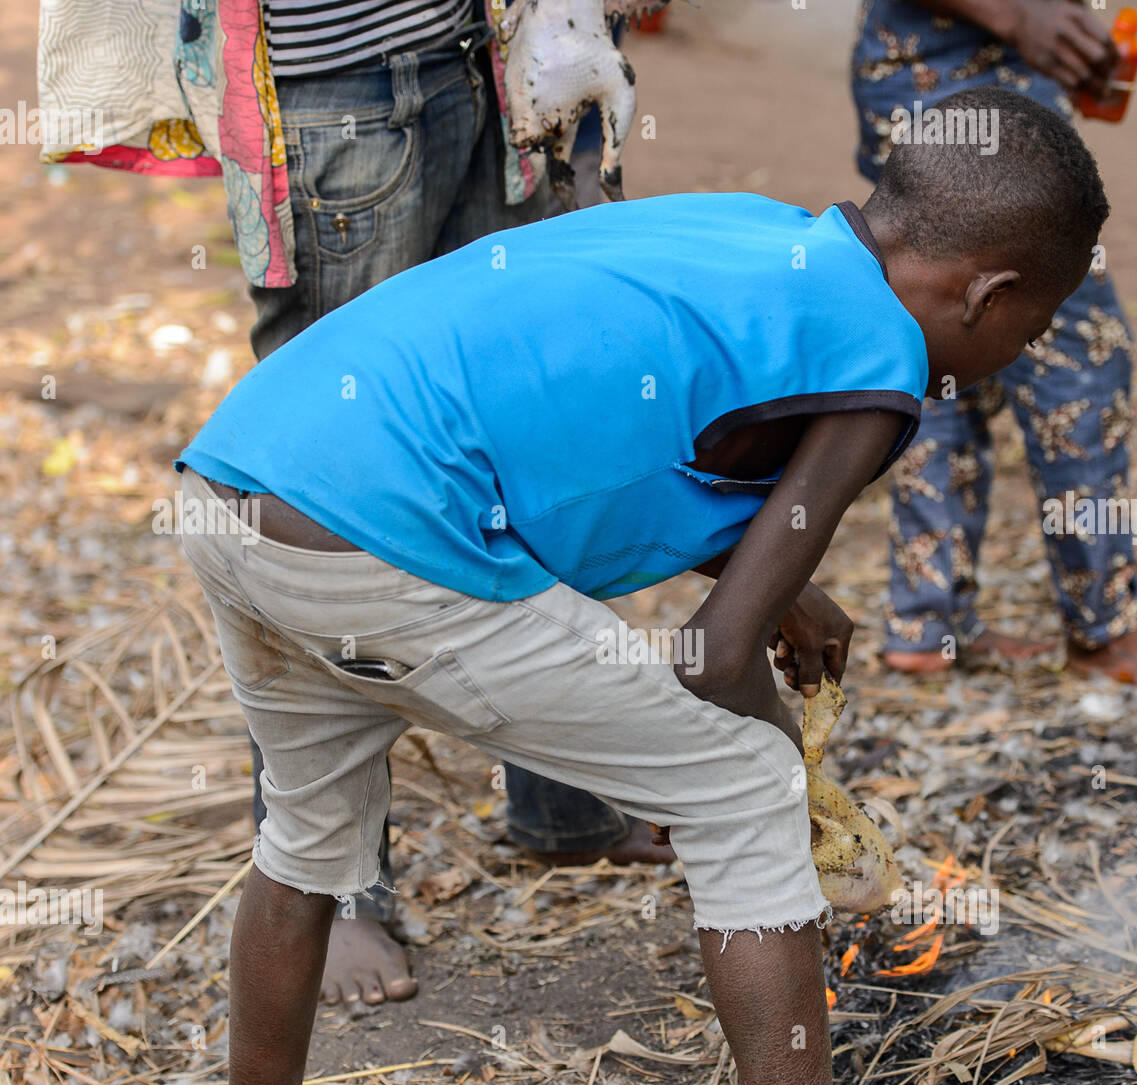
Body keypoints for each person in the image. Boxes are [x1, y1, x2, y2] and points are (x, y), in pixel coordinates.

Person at [178, 87, 1092, 1085]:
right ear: (987, 295)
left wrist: (772, 579)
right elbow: (714, 660)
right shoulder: (886, 367)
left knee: (305, 837)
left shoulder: (762, 238)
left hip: (244, 488)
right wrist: (775, 774)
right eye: (1028, 332)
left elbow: (623, 417)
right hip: (386, 543)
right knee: (745, 785)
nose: (1011, 358)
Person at [38, 0, 670, 1013]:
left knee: (523, 420)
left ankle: (564, 802)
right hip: (333, 95)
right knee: (328, 476)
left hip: (480, 60)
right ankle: (332, 888)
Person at [852, 0, 1137, 683]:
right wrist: (1015, 17)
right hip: (954, 71)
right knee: (1078, 343)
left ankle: (927, 622)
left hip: (944, 75)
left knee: (939, 341)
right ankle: (1103, 627)